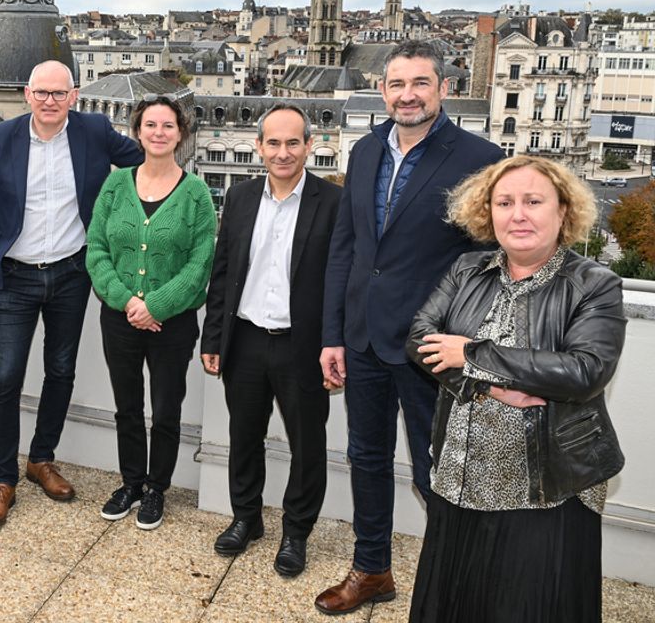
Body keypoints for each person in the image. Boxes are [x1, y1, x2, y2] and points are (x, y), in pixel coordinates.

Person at [314, 40, 502, 615]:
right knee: (366, 458)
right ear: (382, 90)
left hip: (435, 346)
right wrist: (332, 334)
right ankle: (371, 570)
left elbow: (491, 260)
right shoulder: (366, 150)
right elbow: (346, 249)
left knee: (437, 470)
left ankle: (454, 582)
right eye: (397, 84)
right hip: (365, 338)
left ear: (443, 88)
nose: (408, 95)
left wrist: (471, 340)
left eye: (420, 83)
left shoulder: (479, 156)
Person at [406, 156, 625, 622]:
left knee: (527, 605)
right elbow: (419, 339)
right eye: (504, 202)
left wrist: (472, 355)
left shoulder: (594, 284)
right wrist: (492, 389)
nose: (517, 214)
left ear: (563, 211)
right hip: (460, 475)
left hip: (546, 485)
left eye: (533, 201)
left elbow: (586, 370)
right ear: (488, 212)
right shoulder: (467, 268)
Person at [0, 60, 143, 528]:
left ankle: (40, 458)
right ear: (27, 94)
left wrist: (129, 222)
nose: (50, 101)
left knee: (60, 369)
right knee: (6, 377)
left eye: (59, 93)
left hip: (72, 272)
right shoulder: (3, 137)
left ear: (75, 94)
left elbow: (145, 162)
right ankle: (2, 477)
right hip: (14, 275)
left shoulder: (94, 130)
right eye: (41, 92)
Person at [200, 103, 340, 575]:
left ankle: (296, 533)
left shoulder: (333, 203)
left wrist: (334, 342)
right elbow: (222, 275)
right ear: (258, 146)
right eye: (274, 143)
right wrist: (213, 338)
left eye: (293, 142)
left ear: (310, 146)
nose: (283, 153)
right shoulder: (239, 198)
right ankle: (246, 518)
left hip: (303, 346)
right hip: (245, 339)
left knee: (307, 446)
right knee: (244, 437)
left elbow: (341, 283)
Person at [86, 96, 215, 531]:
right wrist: (128, 302)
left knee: (165, 408)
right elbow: (97, 249)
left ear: (181, 134)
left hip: (173, 324)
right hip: (119, 317)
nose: (159, 133)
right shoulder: (115, 185)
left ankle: (157, 488)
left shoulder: (196, 193)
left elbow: (201, 264)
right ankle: (131, 483)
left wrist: (155, 306)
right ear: (137, 132)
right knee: (126, 406)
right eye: (150, 125)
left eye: (168, 126)